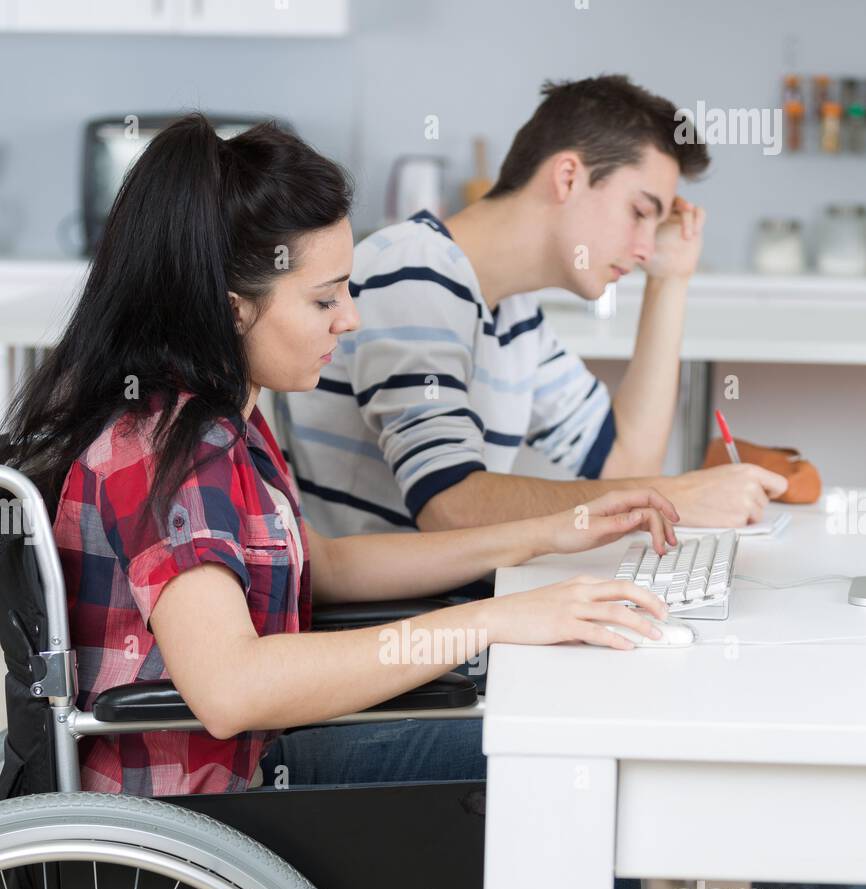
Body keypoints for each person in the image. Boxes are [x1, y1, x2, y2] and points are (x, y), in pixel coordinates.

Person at [1, 114, 803, 889]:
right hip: (217, 815)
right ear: (232, 305)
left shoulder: (204, 416)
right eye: (326, 297)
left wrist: (555, 533)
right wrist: (488, 624)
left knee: (551, 747)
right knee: (562, 783)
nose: (349, 319)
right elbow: (231, 685)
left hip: (242, 782)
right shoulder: (176, 444)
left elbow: (315, 568)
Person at [275, 74, 786, 546]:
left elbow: (624, 462)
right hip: (399, 611)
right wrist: (672, 495)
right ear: (568, 177)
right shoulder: (414, 273)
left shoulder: (512, 312)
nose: (645, 249)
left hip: (458, 600)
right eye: (639, 212)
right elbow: (450, 506)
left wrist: (669, 280)